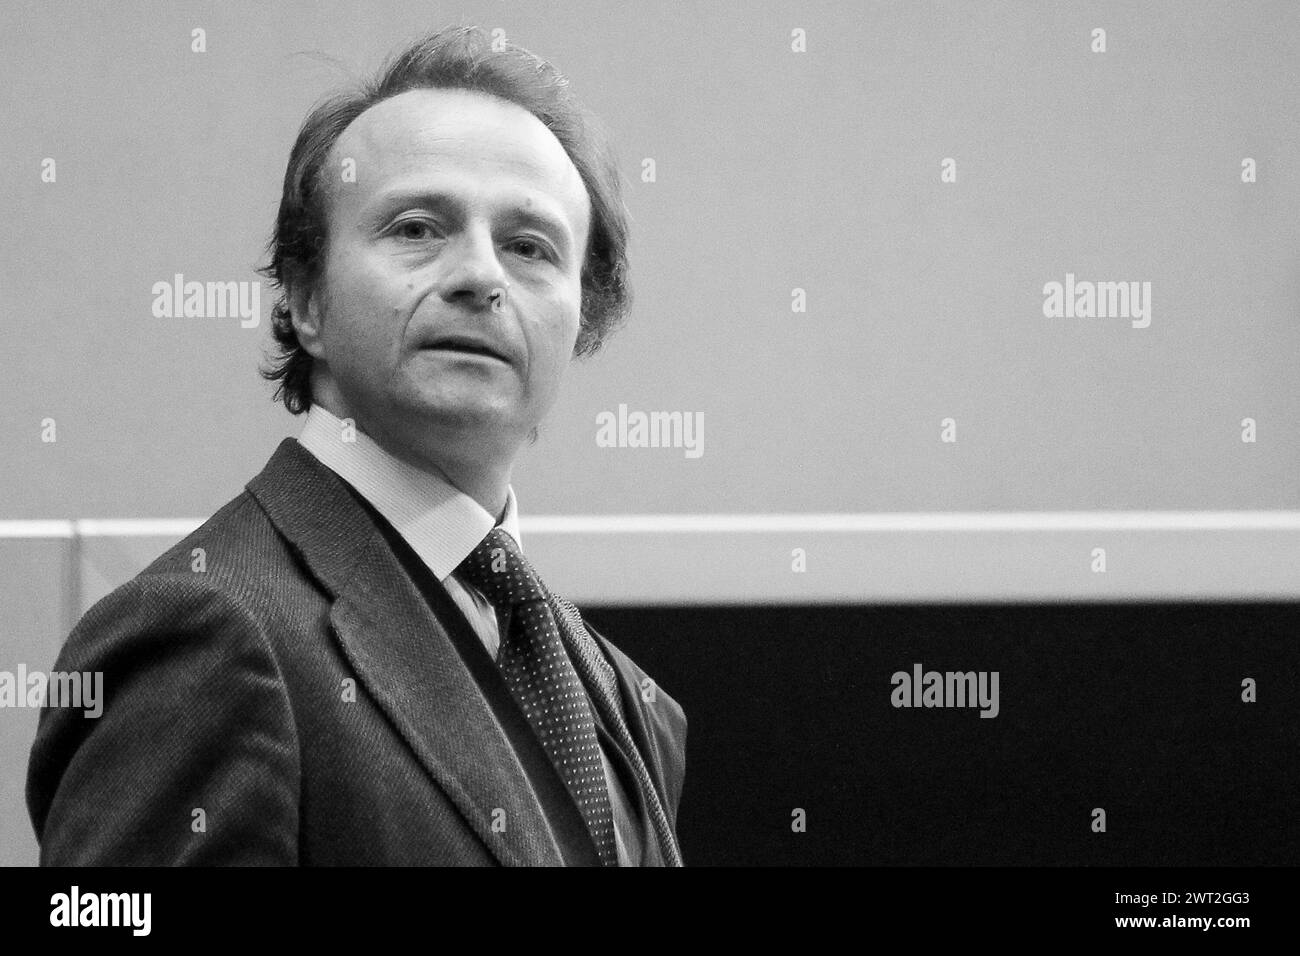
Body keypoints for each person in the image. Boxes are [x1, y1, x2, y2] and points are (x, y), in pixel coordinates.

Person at [26, 25, 686, 866]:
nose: (481, 276)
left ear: (582, 318)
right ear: (305, 300)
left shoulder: (623, 700)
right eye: (417, 228)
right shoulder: (211, 637)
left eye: (530, 248)